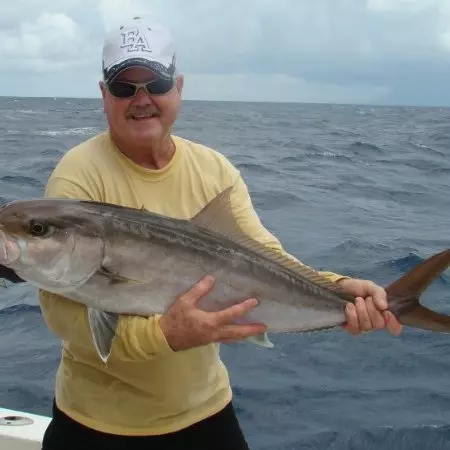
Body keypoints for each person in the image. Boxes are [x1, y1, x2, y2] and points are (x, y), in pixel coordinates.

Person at [38, 16, 403, 450]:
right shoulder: (78, 174)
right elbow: (61, 311)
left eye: (154, 83)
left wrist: (338, 288)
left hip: (204, 411)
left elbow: (264, 254)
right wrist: (163, 336)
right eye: (123, 87)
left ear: (178, 87)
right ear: (104, 95)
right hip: (94, 423)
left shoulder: (213, 170)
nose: (141, 100)